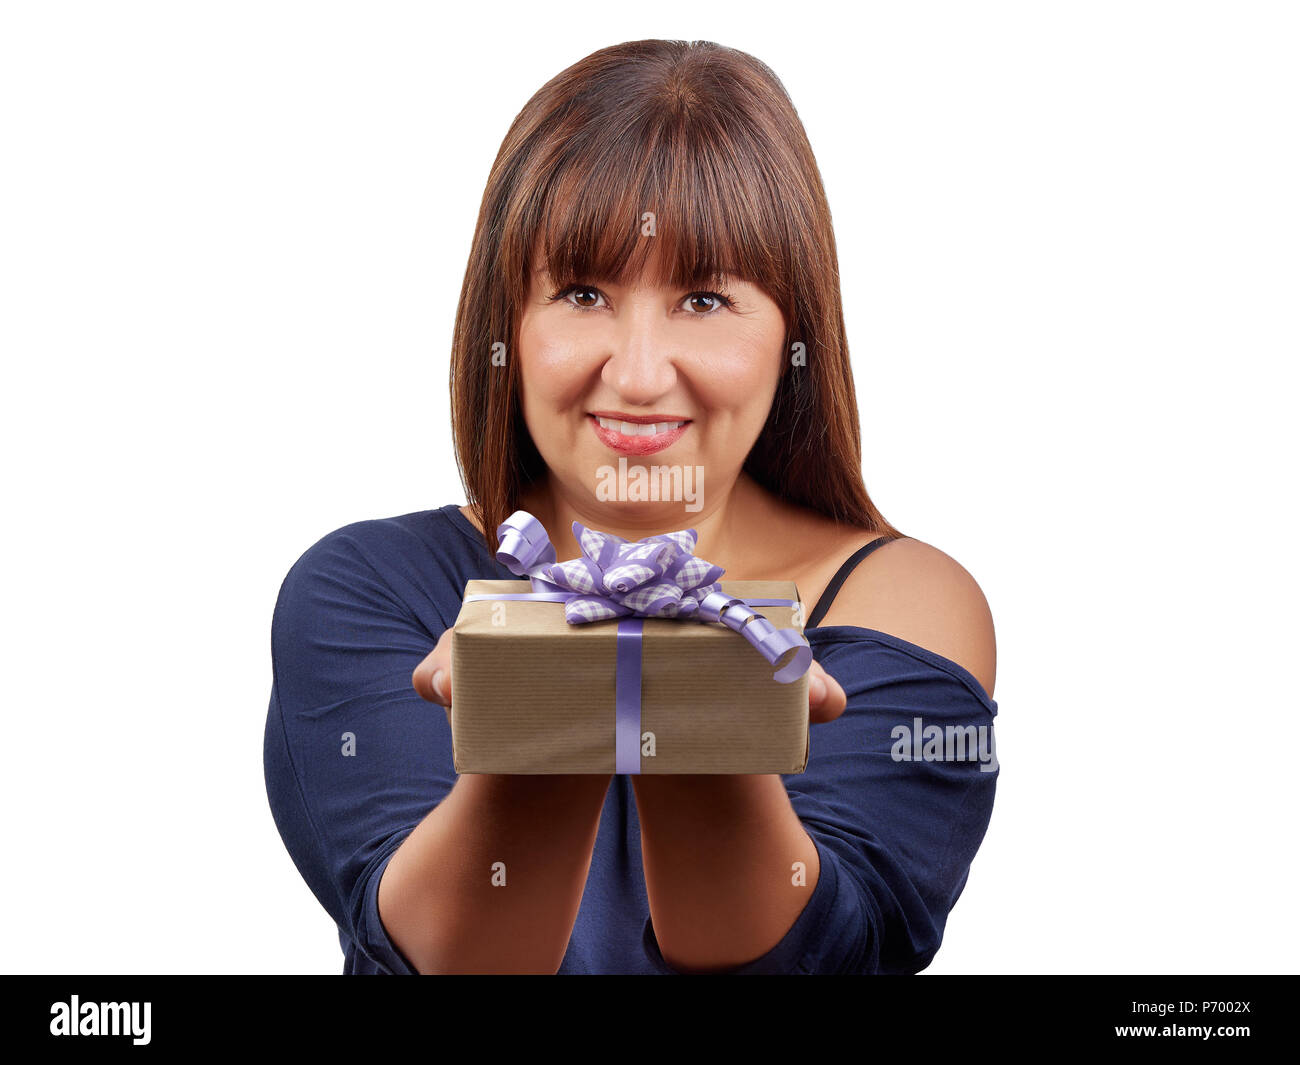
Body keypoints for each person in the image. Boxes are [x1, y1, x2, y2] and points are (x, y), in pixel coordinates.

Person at [263, 39, 999, 975]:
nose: (642, 375)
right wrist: (634, 691)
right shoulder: (363, 587)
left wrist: (586, 688)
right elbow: (449, 955)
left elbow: (818, 956)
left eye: (703, 297)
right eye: (581, 291)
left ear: (792, 334)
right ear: (509, 327)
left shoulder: (907, 598)